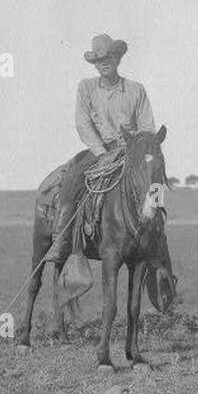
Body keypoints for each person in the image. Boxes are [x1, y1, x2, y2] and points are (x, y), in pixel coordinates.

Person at [42, 34, 157, 286]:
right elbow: (82, 123)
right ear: (94, 63)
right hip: (98, 151)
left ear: (117, 58)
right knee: (72, 179)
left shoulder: (136, 90)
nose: (105, 62)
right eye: (99, 59)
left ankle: (155, 236)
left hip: (131, 151)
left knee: (152, 179)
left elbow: (148, 126)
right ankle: (61, 242)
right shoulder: (86, 88)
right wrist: (102, 153)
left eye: (109, 57)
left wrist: (135, 148)